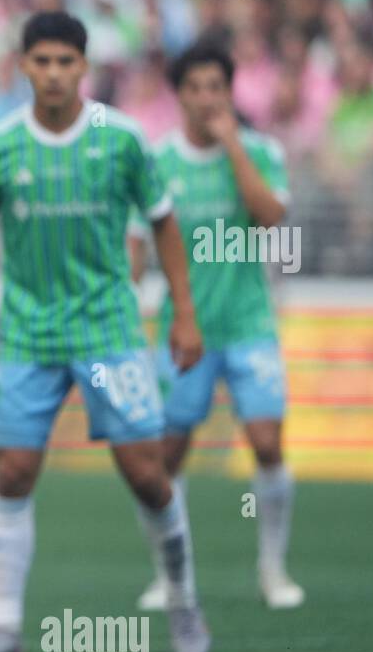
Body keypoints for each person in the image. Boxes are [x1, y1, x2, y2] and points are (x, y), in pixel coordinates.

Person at [0, 12, 210, 652]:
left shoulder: (123, 140)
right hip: (28, 333)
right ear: (23, 65)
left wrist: (184, 313)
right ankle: (4, 623)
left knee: (146, 473)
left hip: (108, 331)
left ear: (84, 68)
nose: (54, 73)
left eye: (66, 62)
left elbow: (165, 224)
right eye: (42, 61)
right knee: (13, 471)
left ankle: (182, 600)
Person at [127, 42, 303, 611]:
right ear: (178, 95)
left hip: (250, 325)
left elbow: (271, 216)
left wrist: (231, 144)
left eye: (216, 87)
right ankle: (170, 576)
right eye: (195, 87)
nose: (206, 98)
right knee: (166, 459)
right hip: (184, 333)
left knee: (267, 442)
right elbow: (136, 243)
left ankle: (272, 569)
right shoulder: (156, 163)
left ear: (230, 93)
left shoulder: (259, 151)